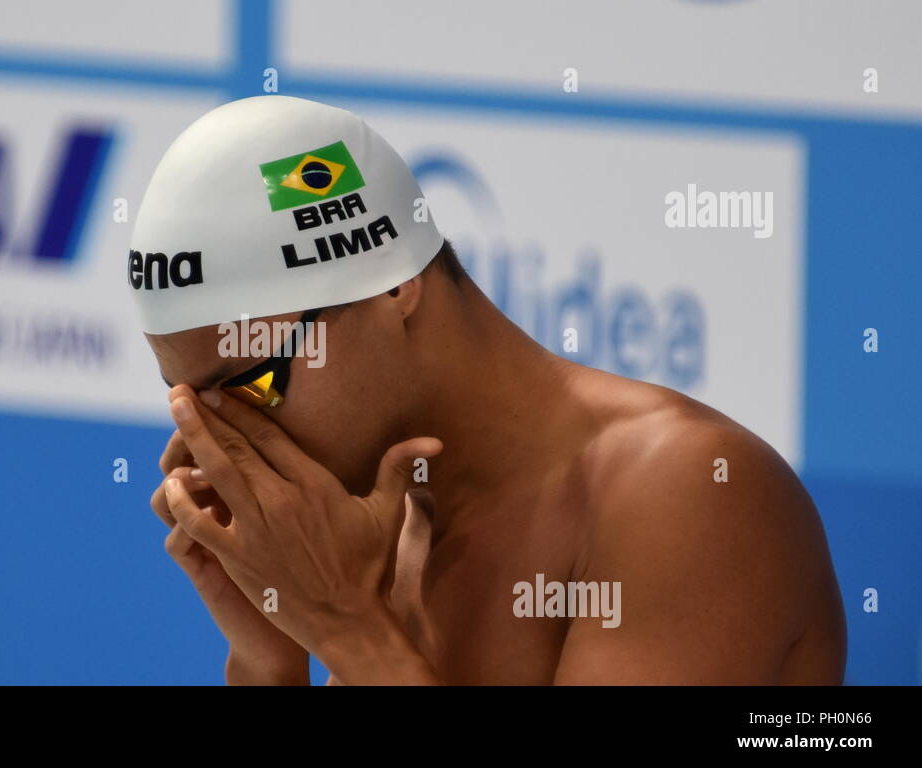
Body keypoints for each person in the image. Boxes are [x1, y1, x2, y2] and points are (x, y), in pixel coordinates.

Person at [130, 95, 846, 685]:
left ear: (392, 286)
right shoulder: (379, 524)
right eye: (192, 406)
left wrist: (348, 631)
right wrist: (271, 658)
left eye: (253, 384)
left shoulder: (688, 493)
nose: (221, 446)